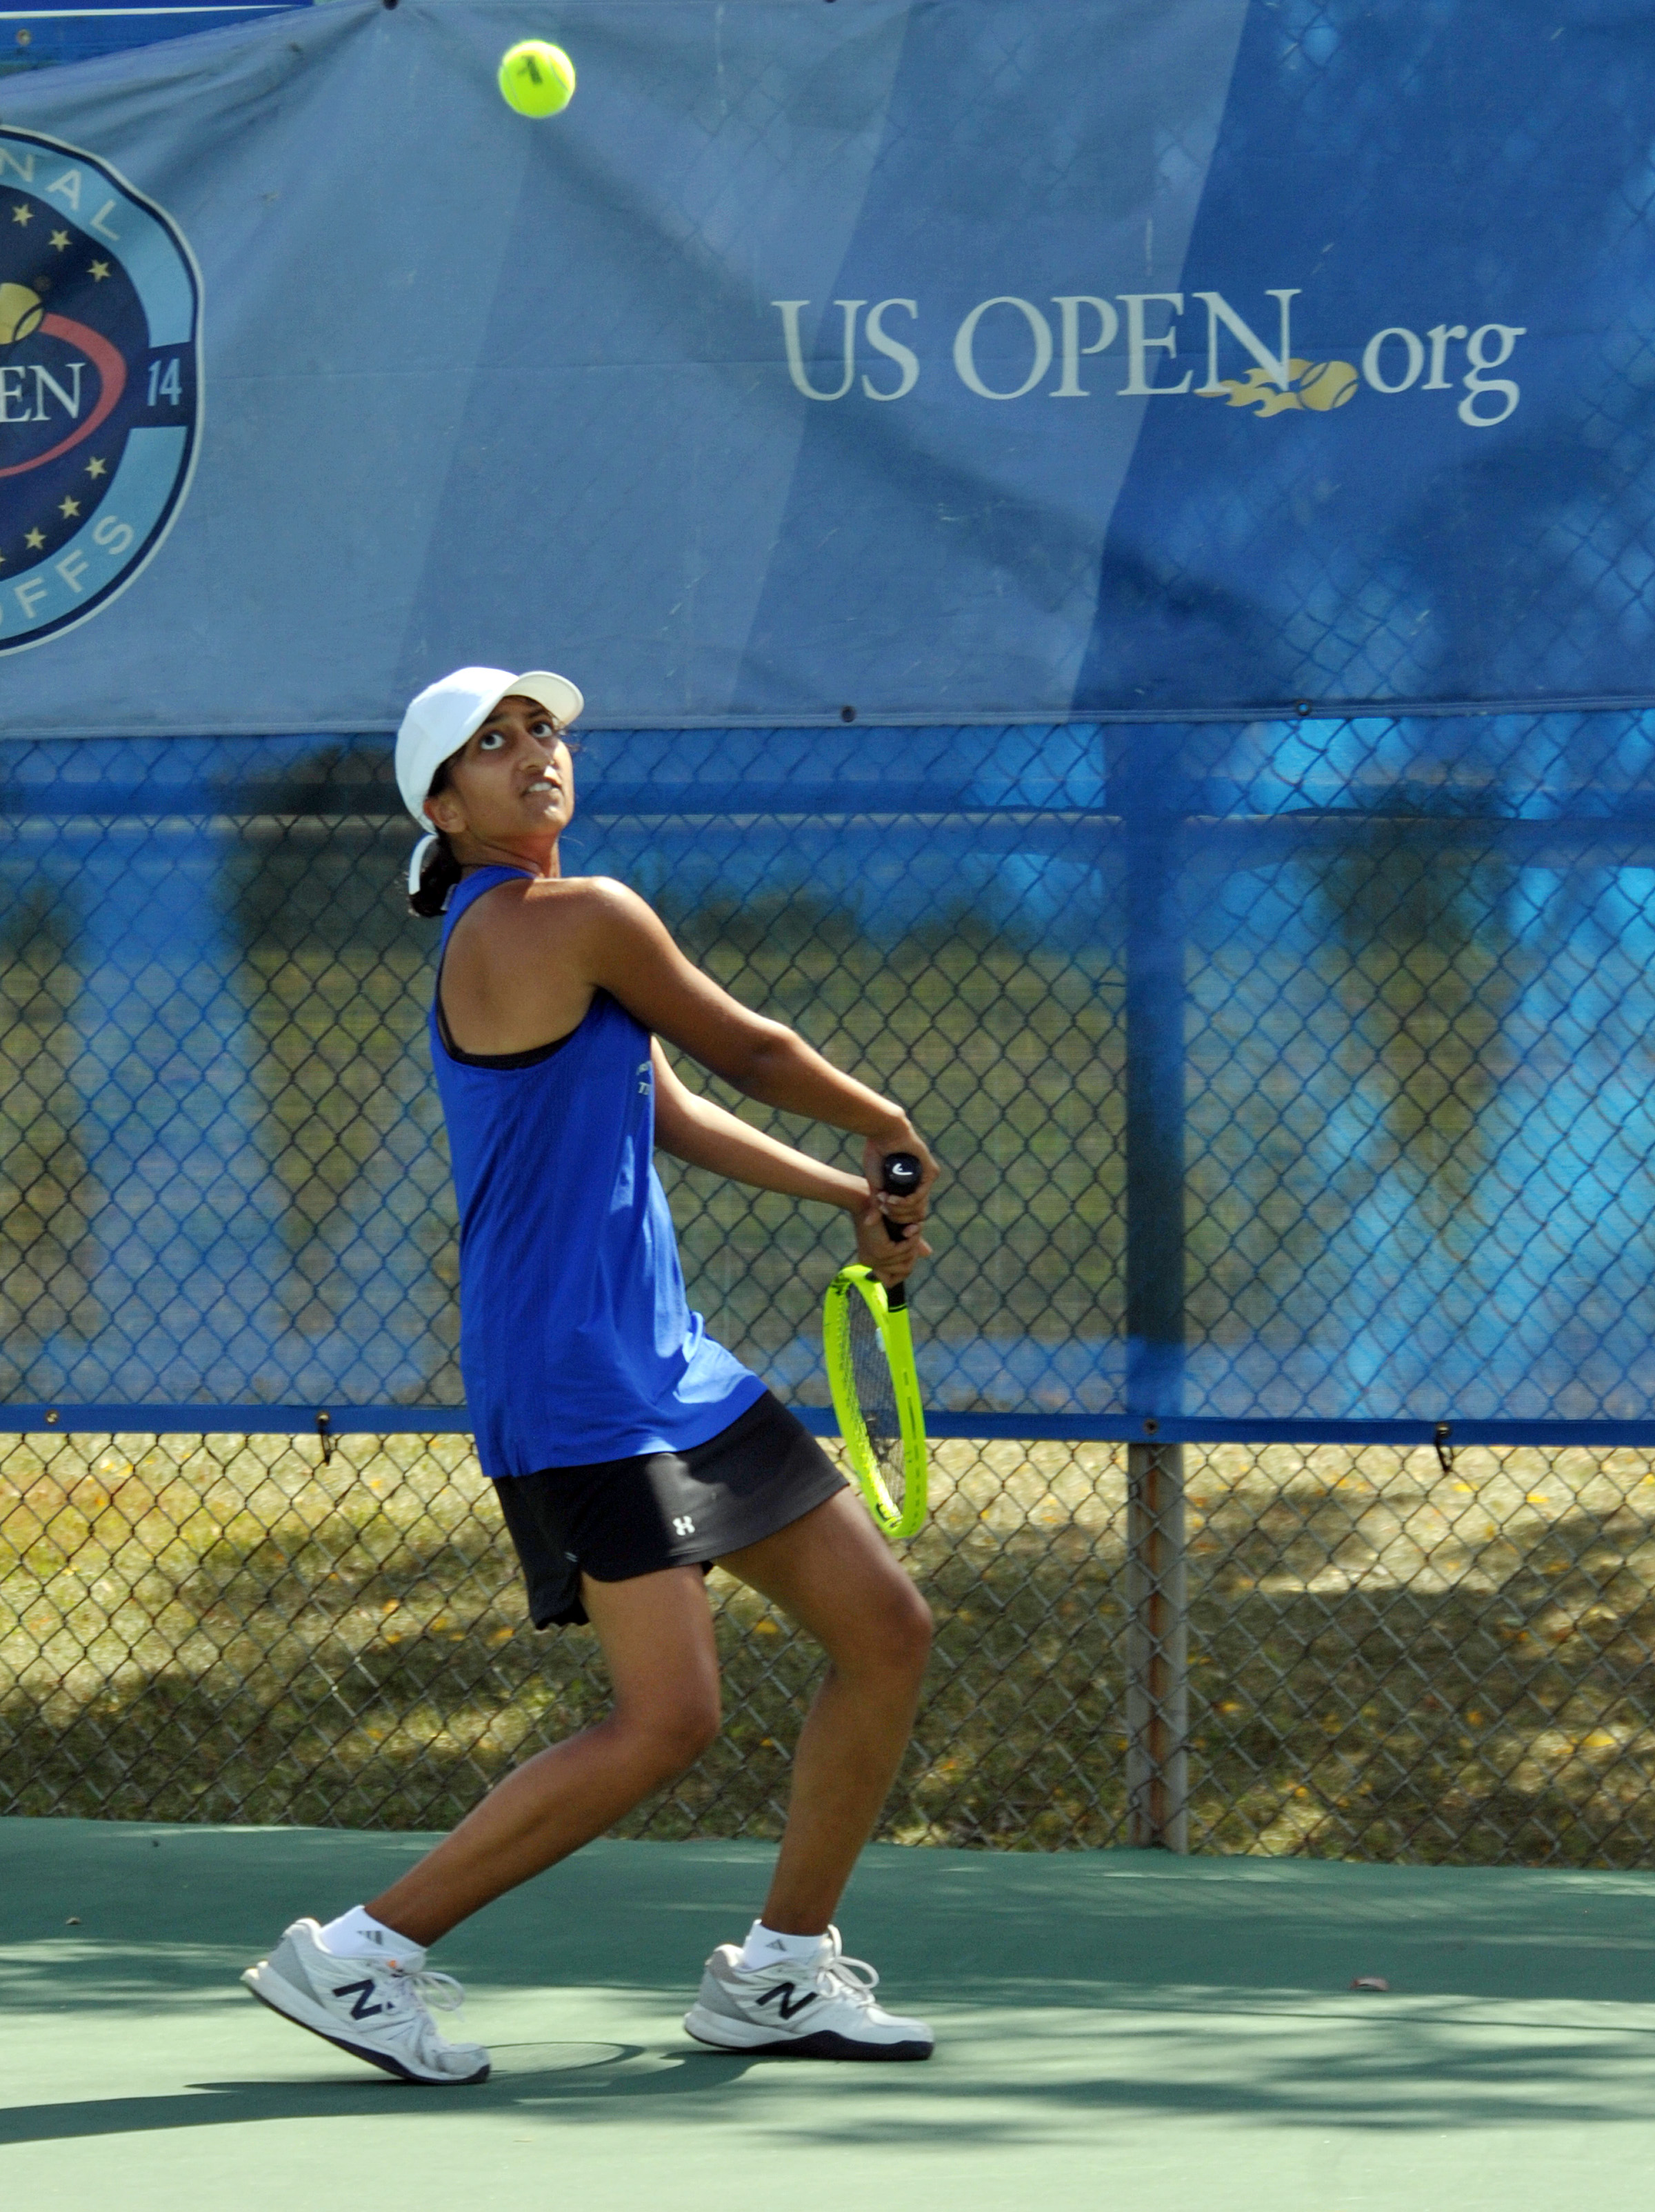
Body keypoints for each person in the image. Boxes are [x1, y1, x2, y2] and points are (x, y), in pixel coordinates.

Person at [241, 666, 940, 2085]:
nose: (531, 756)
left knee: (884, 1627)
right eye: (489, 748)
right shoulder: (562, 917)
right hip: (575, 1380)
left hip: (674, 1368)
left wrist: (840, 1195)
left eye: (542, 732)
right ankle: (361, 1951)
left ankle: (783, 1971)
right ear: (444, 807)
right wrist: (884, 1123)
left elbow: (672, 1107)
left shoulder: (566, 945)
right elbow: (748, 1046)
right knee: (669, 1714)